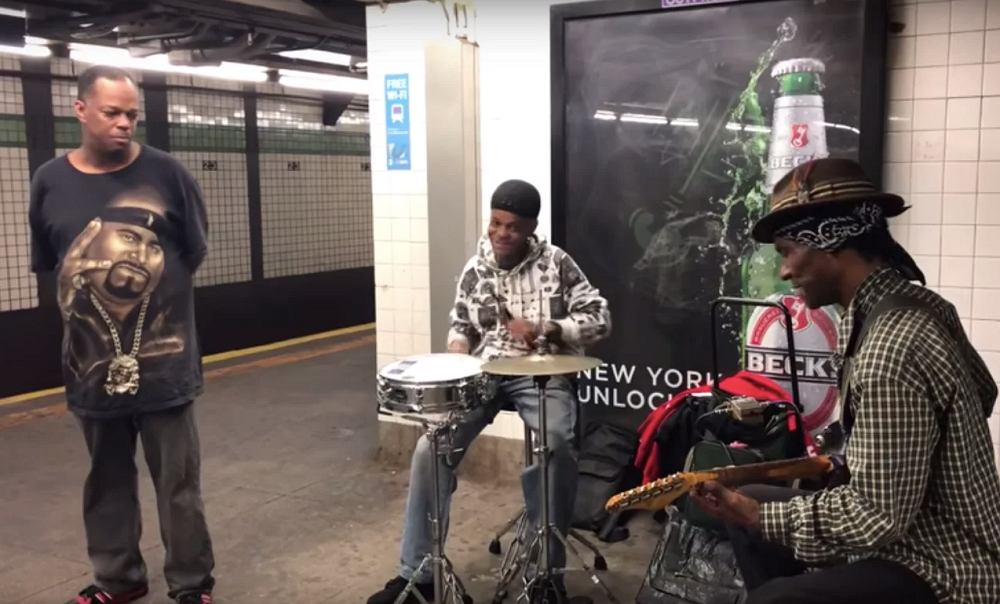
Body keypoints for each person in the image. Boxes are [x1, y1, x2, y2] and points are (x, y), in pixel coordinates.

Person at [691, 158, 1000, 604]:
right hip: (911, 530)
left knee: (770, 588)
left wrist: (757, 514)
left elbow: (877, 517)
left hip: (941, 566)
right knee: (751, 497)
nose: (783, 272)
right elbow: (984, 394)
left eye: (787, 251)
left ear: (831, 241)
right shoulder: (919, 303)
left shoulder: (889, 349)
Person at [367, 179, 612, 604]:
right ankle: (418, 576)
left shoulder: (557, 263)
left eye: (512, 227)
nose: (501, 233)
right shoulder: (476, 269)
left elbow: (599, 318)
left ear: (531, 227)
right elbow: (461, 323)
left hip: (542, 372)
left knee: (555, 443)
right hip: (484, 373)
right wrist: (457, 353)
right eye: (496, 223)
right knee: (429, 450)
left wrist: (548, 329)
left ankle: (543, 575)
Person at [28, 65, 216, 604]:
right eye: (112, 112)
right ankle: (118, 580)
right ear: (80, 109)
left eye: (132, 114)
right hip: (87, 367)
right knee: (106, 481)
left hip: (166, 368)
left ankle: (191, 584)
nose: (124, 123)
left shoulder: (168, 173)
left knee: (178, 485)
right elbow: (52, 259)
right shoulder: (49, 181)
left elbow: (193, 252)